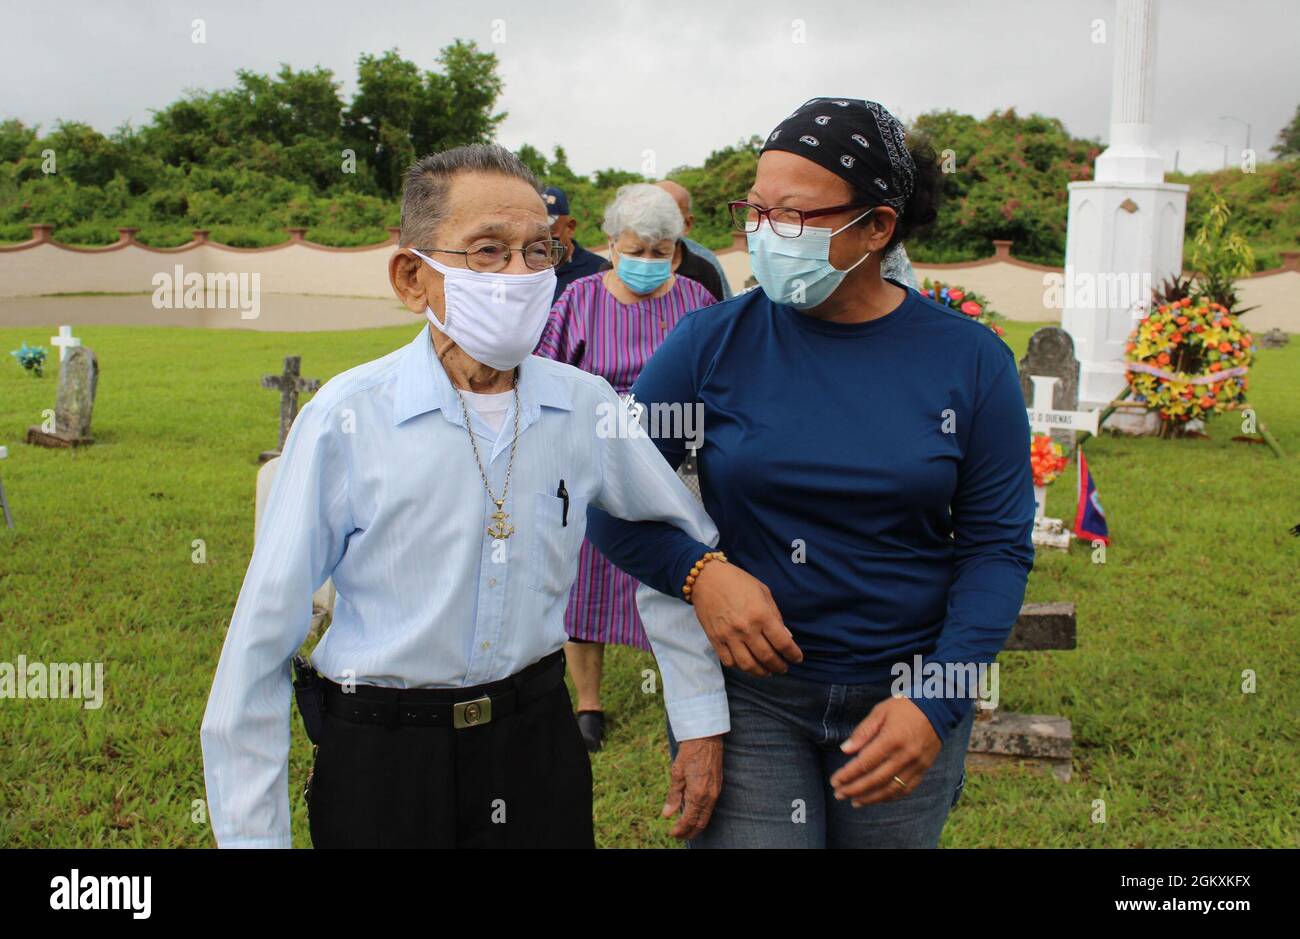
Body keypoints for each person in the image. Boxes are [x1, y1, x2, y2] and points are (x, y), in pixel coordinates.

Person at [200, 145, 781, 848]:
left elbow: (673, 542)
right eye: (487, 251)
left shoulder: (584, 405)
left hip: (535, 742)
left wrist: (696, 716)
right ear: (413, 276)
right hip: (384, 756)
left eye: (539, 252)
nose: (520, 275)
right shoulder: (348, 417)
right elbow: (263, 639)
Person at [587, 98, 1036, 848]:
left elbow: (995, 548)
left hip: (905, 694)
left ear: (877, 226)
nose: (764, 234)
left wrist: (938, 699)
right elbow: (612, 501)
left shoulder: (969, 361)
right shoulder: (711, 342)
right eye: (755, 211)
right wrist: (700, 573)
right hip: (753, 699)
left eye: (792, 215)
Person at [535, 183, 718, 752]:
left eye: (659, 252)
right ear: (611, 244)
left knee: (678, 572)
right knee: (584, 580)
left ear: (676, 250)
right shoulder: (576, 299)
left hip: (679, 464)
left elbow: (724, 380)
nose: (646, 262)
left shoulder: (697, 303)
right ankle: (588, 702)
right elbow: (544, 377)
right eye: (635, 250)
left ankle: (684, 694)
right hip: (594, 462)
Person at [654, 180, 733, 300]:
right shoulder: (622, 258)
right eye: (651, 211)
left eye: (668, 215)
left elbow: (725, 313)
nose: (657, 221)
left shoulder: (706, 265)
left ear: (687, 224)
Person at [544, 185, 606, 301]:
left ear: (570, 227)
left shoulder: (598, 271)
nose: (540, 246)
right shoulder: (521, 271)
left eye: (550, 235)